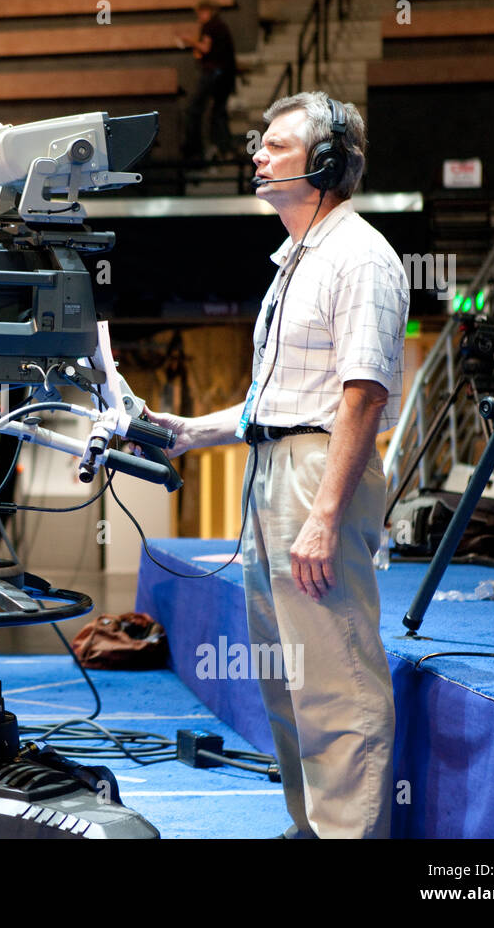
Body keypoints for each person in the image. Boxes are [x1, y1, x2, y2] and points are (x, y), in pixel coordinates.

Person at [148, 92, 409, 838]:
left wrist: (325, 515)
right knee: (285, 676)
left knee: (334, 679)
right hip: (276, 472)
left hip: (319, 476)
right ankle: (311, 827)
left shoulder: (360, 256)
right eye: (260, 143)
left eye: (277, 146)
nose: (257, 153)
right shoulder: (297, 260)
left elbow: (360, 398)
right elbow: (278, 399)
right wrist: (191, 432)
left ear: (327, 165)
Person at [180, 0, 237, 164]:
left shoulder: (211, 26)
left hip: (215, 74)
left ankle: (195, 149)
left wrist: (189, 41)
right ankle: (225, 148)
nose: (198, 17)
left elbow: (206, 48)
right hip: (225, 75)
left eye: (200, 13)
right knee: (219, 113)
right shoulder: (220, 26)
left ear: (207, 11)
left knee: (194, 109)